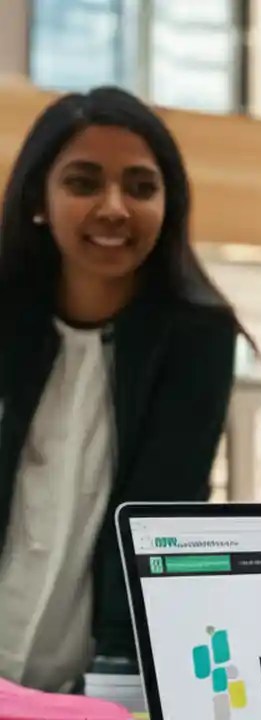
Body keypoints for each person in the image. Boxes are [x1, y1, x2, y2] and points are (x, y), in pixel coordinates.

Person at [0, 87, 244, 692]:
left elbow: (164, 512)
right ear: (38, 199)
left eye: (140, 187)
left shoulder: (200, 339)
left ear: (169, 204)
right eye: (83, 183)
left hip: (95, 679)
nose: (114, 208)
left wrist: (119, 675)